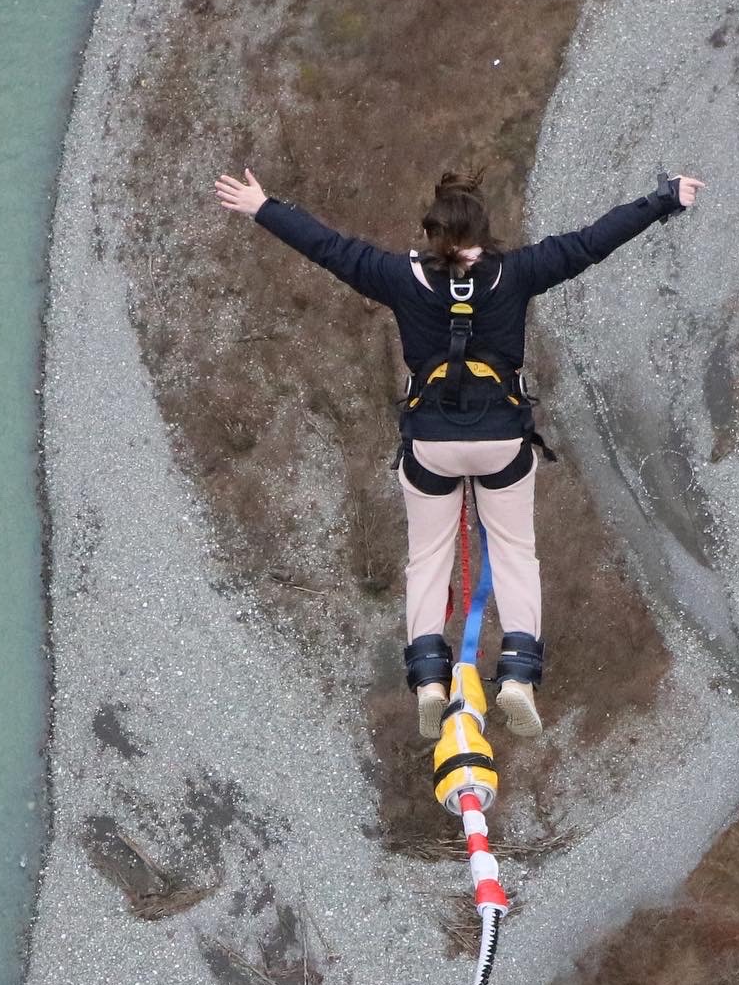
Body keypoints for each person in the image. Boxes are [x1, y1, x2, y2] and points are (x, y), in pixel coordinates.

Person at [215, 165, 704, 740]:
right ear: (483, 231)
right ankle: (518, 673)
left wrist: (263, 205)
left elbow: (330, 249)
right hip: (501, 442)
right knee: (517, 553)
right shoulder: (518, 272)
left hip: (432, 444)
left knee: (428, 559)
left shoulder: (398, 276)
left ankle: (428, 677)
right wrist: (664, 198)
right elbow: (593, 241)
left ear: (431, 234)